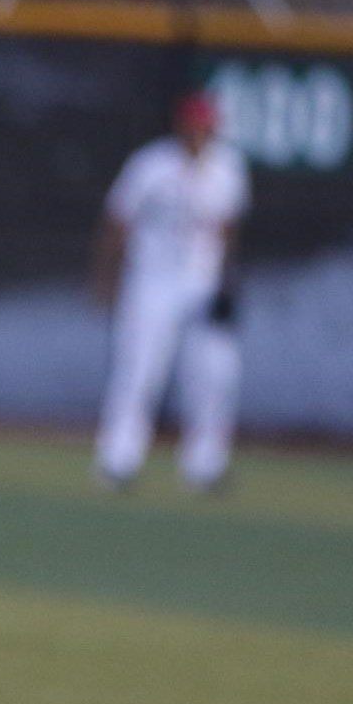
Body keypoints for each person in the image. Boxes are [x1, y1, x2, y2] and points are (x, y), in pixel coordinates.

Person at [90, 91, 252, 492]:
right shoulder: (151, 165)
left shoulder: (228, 168)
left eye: (207, 126)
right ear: (182, 126)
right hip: (151, 280)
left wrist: (227, 281)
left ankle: (205, 465)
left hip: (203, 283)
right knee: (139, 371)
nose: (201, 133)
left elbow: (229, 228)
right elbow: (117, 223)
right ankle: (118, 460)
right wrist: (106, 279)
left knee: (214, 374)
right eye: (195, 125)